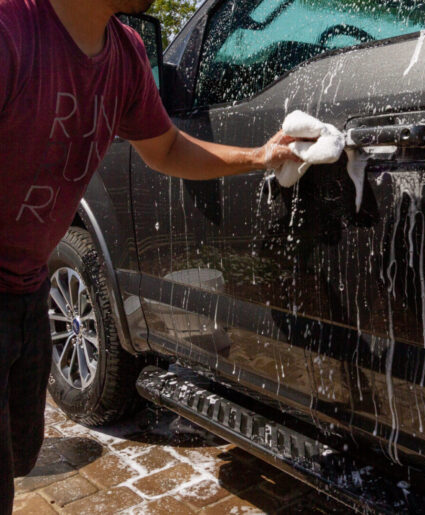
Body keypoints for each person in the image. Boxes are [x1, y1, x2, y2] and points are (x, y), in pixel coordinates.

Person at [0, 0, 302, 510]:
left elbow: (166, 148)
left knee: (20, 454)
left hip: (27, 286)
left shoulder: (125, 53)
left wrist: (261, 157)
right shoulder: (11, 29)